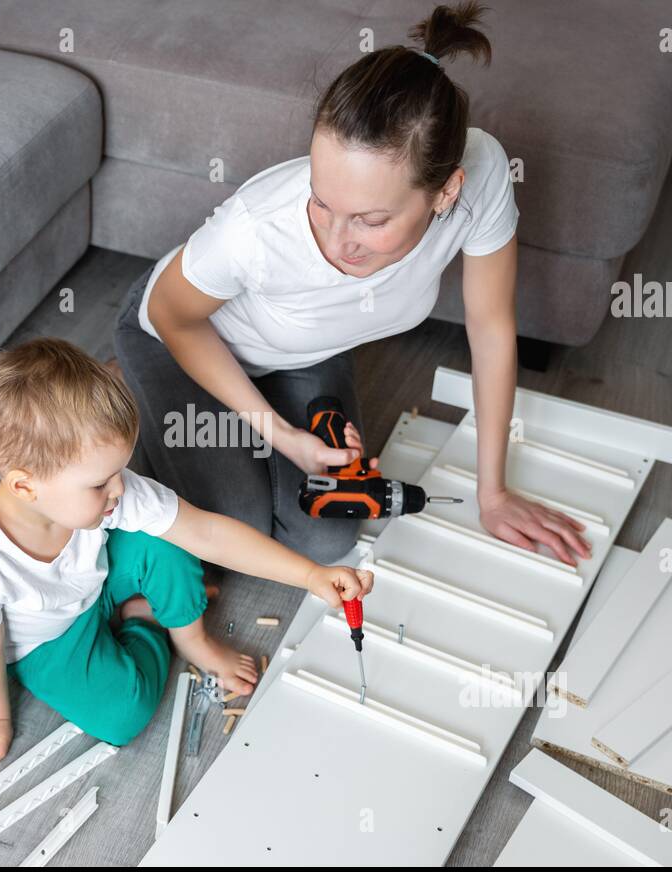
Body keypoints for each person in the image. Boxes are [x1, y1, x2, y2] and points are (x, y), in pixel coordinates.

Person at [114, 1, 591, 566]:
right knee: (231, 528)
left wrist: (494, 493)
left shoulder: (483, 174)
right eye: (321, 201)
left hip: (304, 348)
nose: (339, 241)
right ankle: (117, 392)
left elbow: (489, 327)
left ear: (446, 192)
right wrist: (280, 435)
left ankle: (240, 421)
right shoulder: (256, 228)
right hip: (178, 334)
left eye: (369, 220)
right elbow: (173, 315)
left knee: (326, 536)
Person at [0, 338, 373, 764]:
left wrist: (311, 575)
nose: (121, 488)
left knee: (171, 540)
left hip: (99, 578)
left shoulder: (101, 491)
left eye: (120, 471)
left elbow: (207, 532)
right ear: (25, 487)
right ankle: (143, 618)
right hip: (47, 640)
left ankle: (192, 639)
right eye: (101, 482)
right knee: (123, 715)